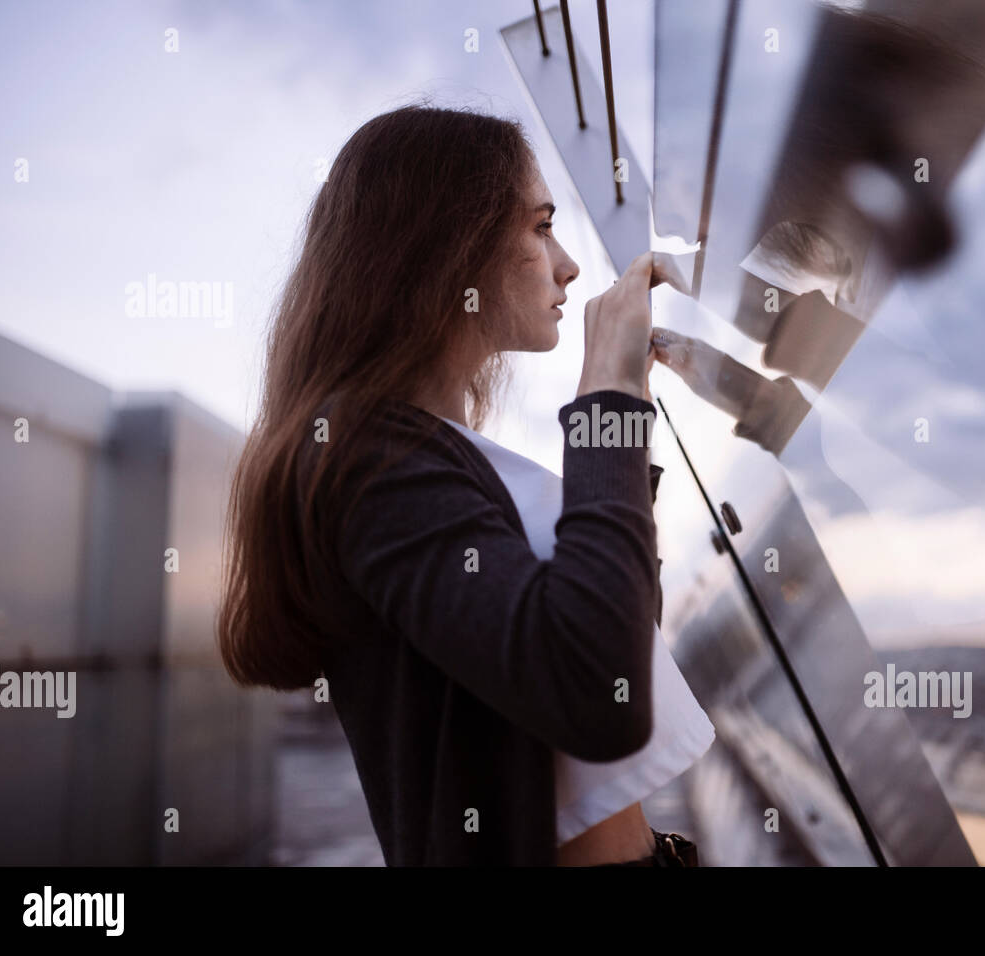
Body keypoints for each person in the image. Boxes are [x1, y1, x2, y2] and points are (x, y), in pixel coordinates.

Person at [217, 103, 713, 866]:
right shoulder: (367, 460)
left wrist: (623, 421)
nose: (568, 265)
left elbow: (618, 630)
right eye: (541, 226)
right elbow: (594, 690)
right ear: (453, 245)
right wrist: (603, 401)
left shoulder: (428, 451)